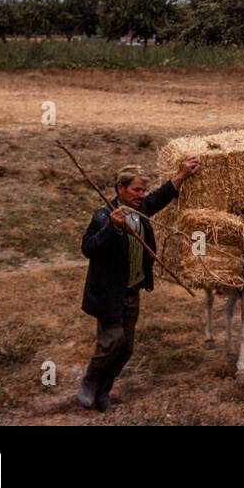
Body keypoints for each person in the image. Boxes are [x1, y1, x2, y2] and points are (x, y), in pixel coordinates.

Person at [77, 157, 199, 411]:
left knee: (126, 348)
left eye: (143, 190)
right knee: (113, 341)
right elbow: (88, 248)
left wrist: (182, 175)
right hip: (108, 294)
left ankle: (103, 394)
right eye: (136, 190)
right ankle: (89, 380)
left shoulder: (140, 210)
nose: (142, 195)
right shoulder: (103, 216)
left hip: (131, 293)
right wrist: (112, 227)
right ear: (120, 189)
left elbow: (160, 196)